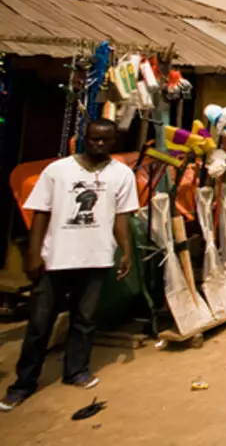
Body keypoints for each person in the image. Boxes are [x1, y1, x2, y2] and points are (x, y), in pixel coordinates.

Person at [2, 119, 136, 411]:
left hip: (97, 257)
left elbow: (122, 216)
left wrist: (126, 251)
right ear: (84, 138)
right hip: (56, 258)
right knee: (39, 323)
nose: (99, 144)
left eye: (105, 140)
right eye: (94, 139)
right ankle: (23, 384)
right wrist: (34, 253)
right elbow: (41, 214)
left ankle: (76, 371)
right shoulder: (57, 171)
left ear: (114, 141)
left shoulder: (122, 174)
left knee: (85, 319)